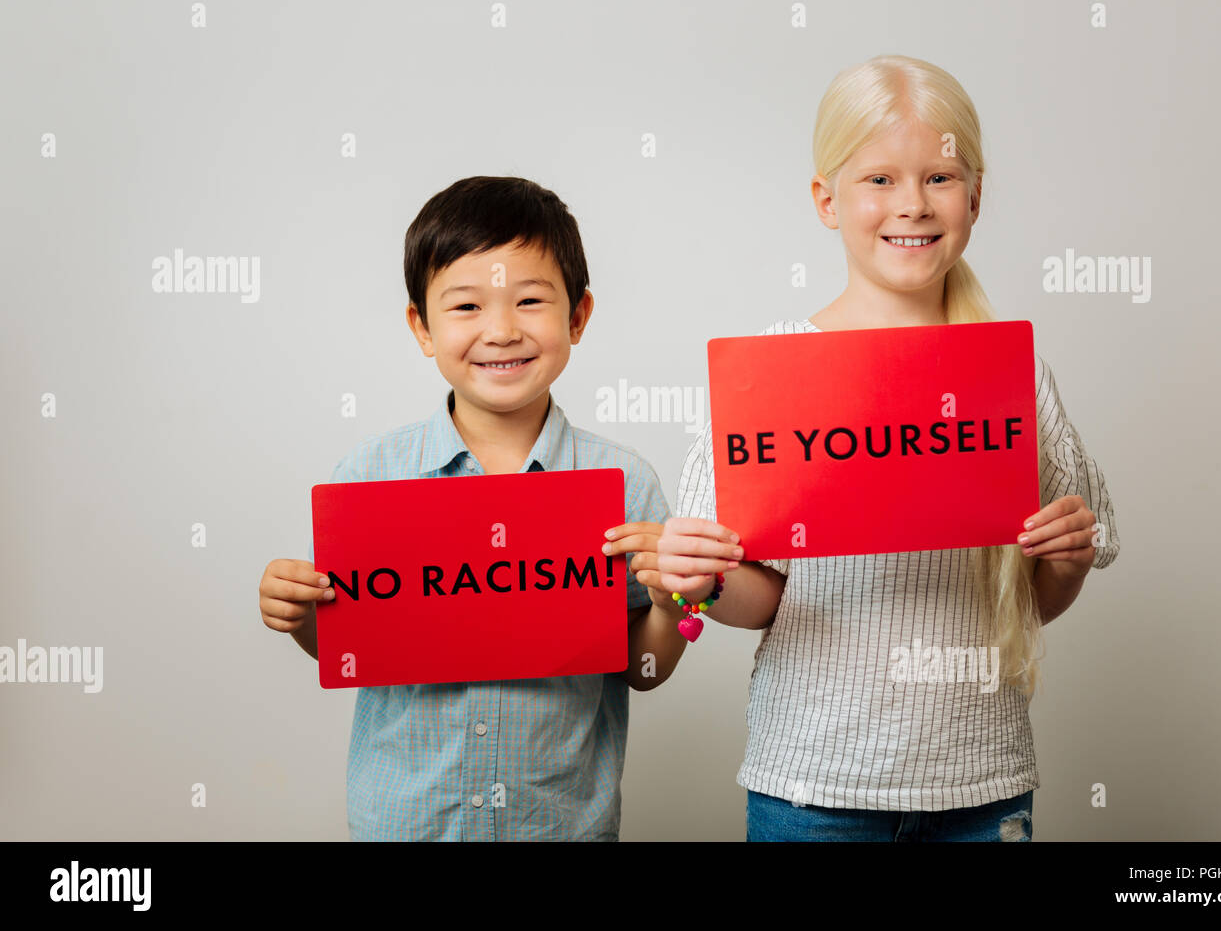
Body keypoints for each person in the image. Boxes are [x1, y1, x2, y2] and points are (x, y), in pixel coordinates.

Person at [659, 54, 1121, 842]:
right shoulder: (776, 370)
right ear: (826, 200)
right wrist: (695, 581)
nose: (912, 203)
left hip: (982, 783)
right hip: (810, 786)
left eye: (940, 178)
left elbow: (1033, 599)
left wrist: (1067, 560)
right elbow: (757, 595)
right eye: (879, 179)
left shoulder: (1006, 369)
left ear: (977, 197)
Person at [257, 176, 705, 840]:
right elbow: (347, 650)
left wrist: (673, 604)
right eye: (466, 307)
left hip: (559, 825)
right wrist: (298, 617)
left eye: (529, 300)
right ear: (422, 327)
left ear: (578, 317)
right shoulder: (372, 478)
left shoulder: (623, 483)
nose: (501, 330)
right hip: (409, 822)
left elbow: (643, 671)